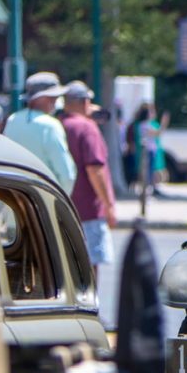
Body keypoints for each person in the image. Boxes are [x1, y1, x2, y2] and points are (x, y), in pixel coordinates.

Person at [59, 82, 116, 278]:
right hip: (89, 210)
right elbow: (95, 169)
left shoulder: (58, 124)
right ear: (85, 102)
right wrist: (108, 205)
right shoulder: (87, 128)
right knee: (90, 271)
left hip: (64, 207)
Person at [2, 72, 76, 193]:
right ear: (44, 98)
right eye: (53, 97)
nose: (56, 100)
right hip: (43, 196)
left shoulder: (13, 120)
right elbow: (66, 174)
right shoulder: (50, 125)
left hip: (14, 195)